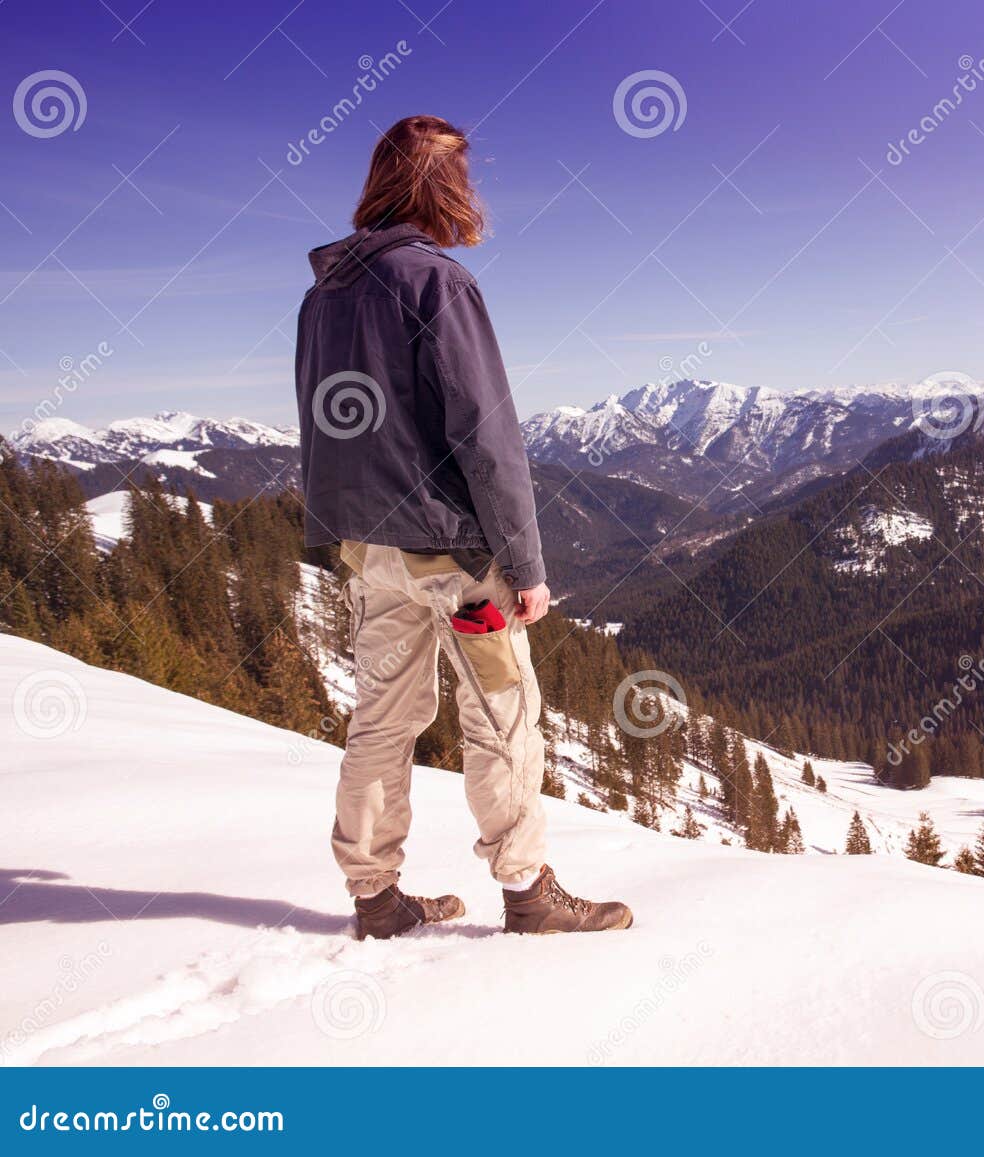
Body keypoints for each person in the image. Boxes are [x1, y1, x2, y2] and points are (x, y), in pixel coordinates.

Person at [294, 115, 632, 940]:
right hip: (453, 551)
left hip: (371, 546)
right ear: (439, 187)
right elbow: (486, 436)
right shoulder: (435, 284)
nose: (472, 195)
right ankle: (528, 891)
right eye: (463, 180)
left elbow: (319, 425)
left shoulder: (322, 294)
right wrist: (525, 562)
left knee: (381, 715)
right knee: (503, 709)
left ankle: (375, 897)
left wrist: (334, 534)